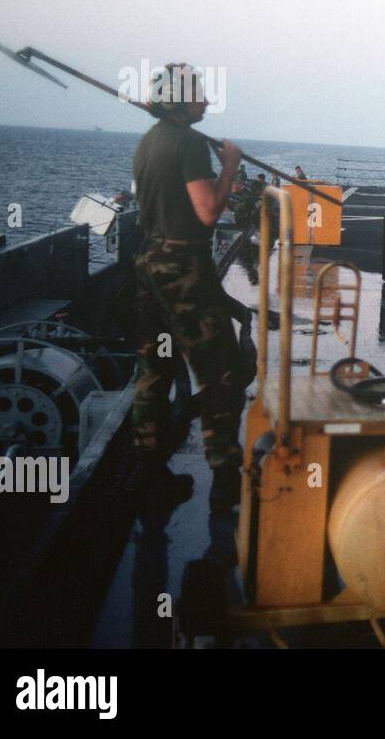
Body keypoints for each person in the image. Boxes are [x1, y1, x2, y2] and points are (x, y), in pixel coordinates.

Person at [130, 63, 250, 513]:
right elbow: (207, 212)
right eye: (199, 93)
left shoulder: (148, 144)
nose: (205, 100)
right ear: (180, 100)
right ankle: (224, 481)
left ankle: (150, 477)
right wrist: (231, 168)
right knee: (223, 371)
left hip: (149, 266)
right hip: (182, 270)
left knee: (155, 371)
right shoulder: (189, 143)